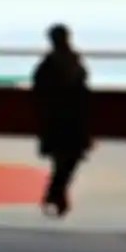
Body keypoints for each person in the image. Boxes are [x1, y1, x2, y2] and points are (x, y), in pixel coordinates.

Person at [31, 24, 92, 218]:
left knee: (64, 161)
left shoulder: (51, 63)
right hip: (68, 119)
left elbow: (39, 90)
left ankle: (56, 195)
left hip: (60, 119)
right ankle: (56, 195)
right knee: (67, 160)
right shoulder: (68, 61)